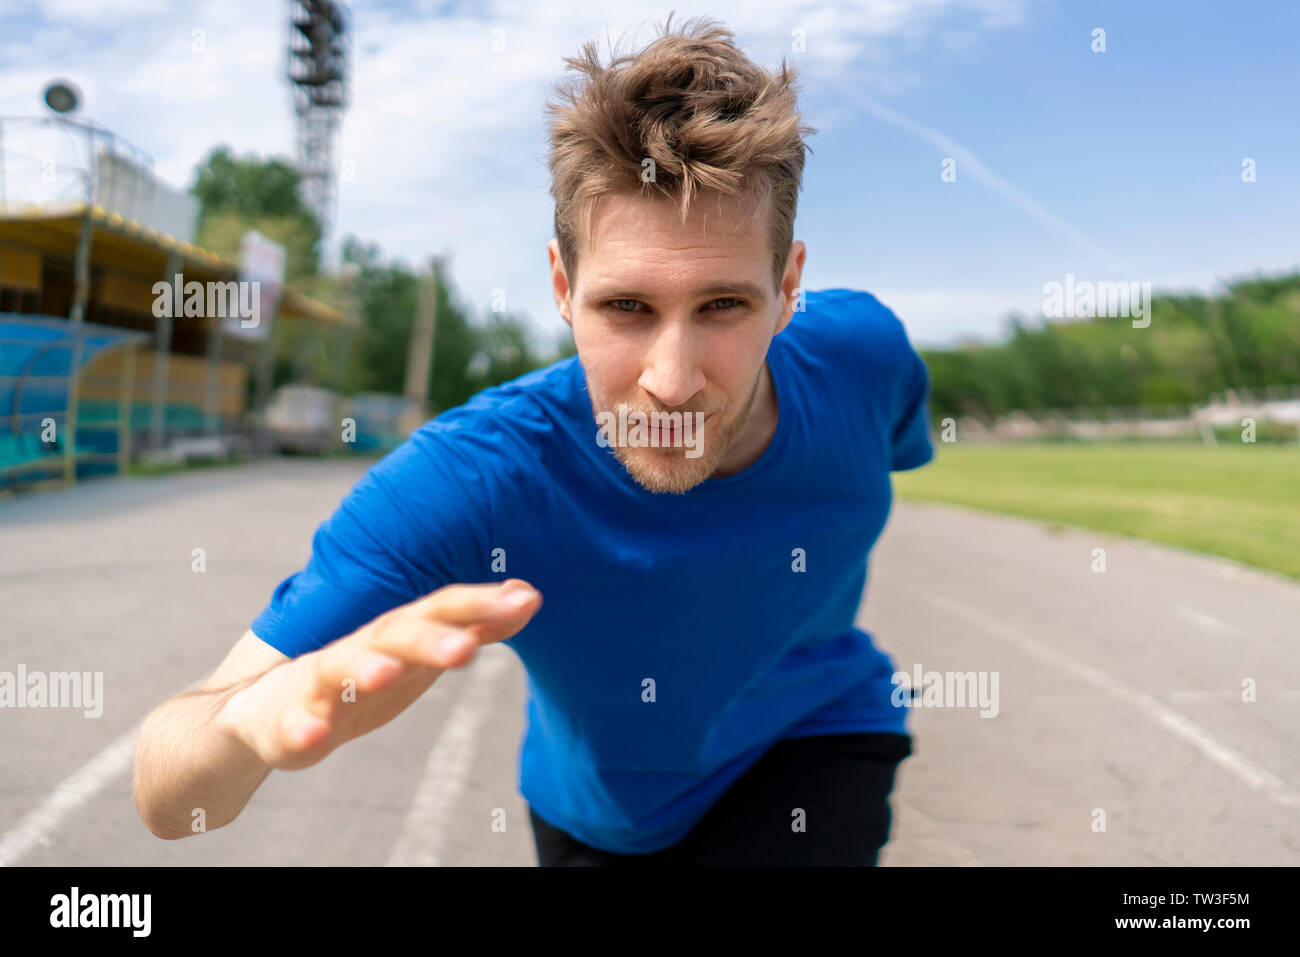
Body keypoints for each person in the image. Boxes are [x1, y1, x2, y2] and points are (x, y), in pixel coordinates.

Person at [132, 15, 934, 866]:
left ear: (788, 287)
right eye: (627, 307)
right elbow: (167, 790)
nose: (672, 377)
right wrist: (249, 731)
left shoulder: (866, 359)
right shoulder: (475, 479)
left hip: (817, 739)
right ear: (562, 285)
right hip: (598, 809)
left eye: (723, 307)